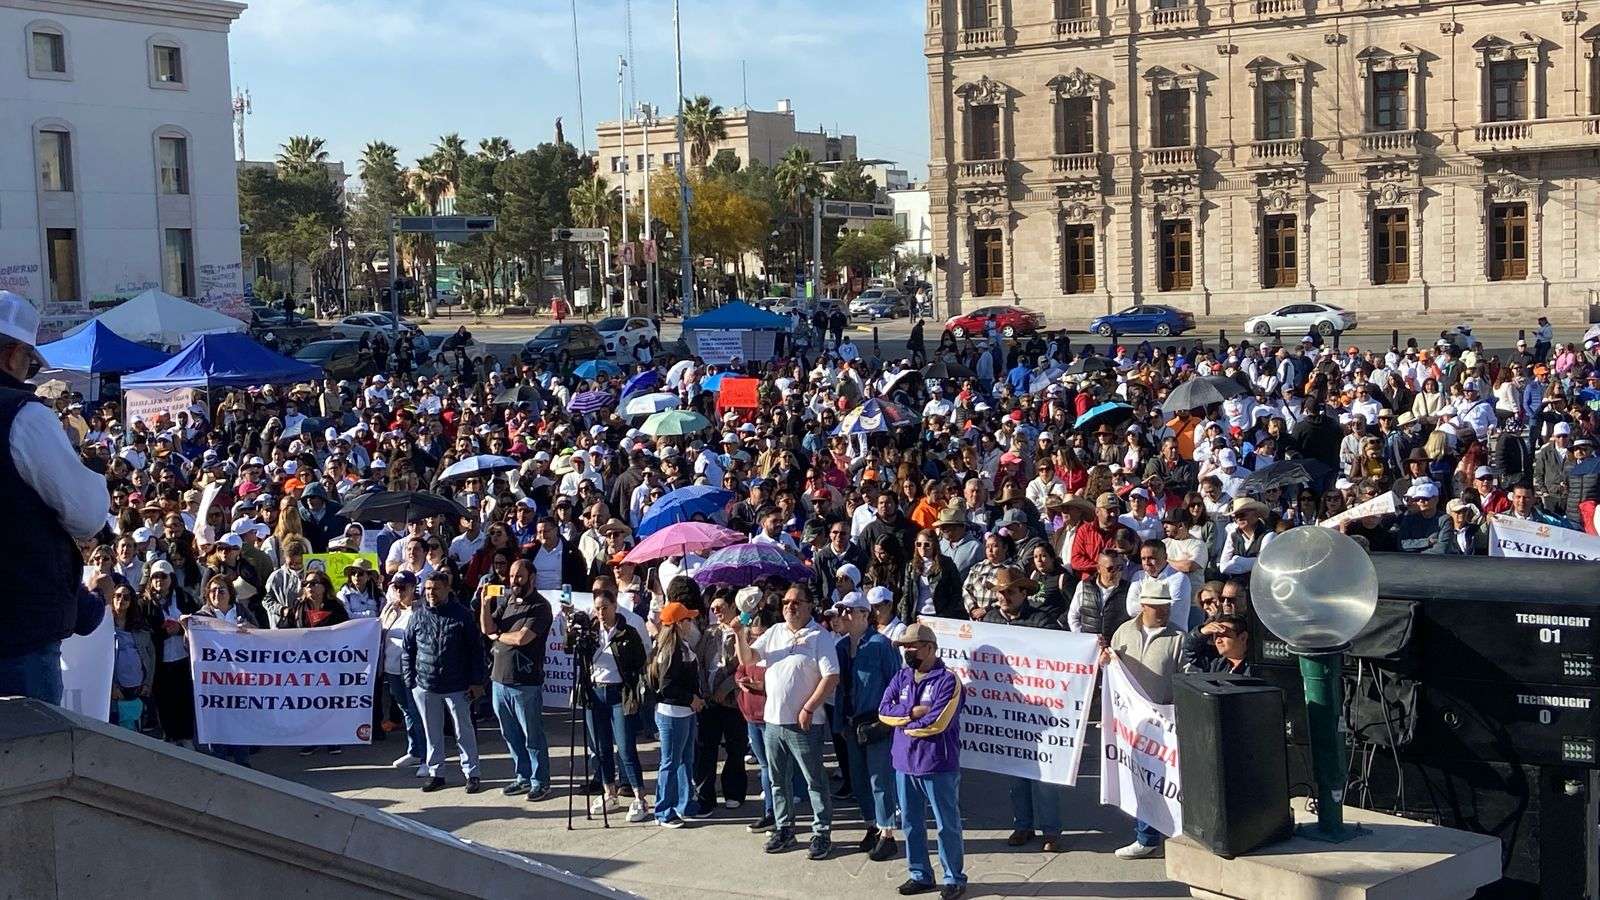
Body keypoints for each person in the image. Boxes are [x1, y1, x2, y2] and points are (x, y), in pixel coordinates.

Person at [0, 291, 110, 702]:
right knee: (35, 759)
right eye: (29, 364)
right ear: (13, 356)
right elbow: (88, 515)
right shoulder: (23, 416)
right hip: (16, 633)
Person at [732, 583, 841, 860]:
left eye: (796, 602)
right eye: (786, 602)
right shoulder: (775, 632)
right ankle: (784, 828)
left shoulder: (820, 636)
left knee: (813, 780)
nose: (789, 606)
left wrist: (808, 708)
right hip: (773, 721)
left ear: (808, 606)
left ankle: (822, 832)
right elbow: (747, 658)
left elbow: (831, 677)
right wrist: (738, 634)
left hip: (804, 723)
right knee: (778, 780)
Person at [878, 622, 966, 899]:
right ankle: (920, 874)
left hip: (937, 763)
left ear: (930, 647)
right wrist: (912, 713)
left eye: (912, 646)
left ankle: (953, 878)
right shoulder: (901, 676)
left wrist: (904, 723)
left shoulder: (948, 680)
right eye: (904, 646)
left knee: (946, 825)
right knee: (911, 824)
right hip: (904, 762)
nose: (907, 651)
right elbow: (883, 711)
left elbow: (938, 722)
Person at [1107, 580, 1185, 860]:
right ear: (1143, 606)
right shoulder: (1123, 632)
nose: (1163, 611)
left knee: (1165, 781)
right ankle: (1146, 836)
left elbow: (1184, 679)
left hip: (1164, 722)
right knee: (1138, 779)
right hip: (1131, 722)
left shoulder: (1179, 638)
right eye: (1157, 606)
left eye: (1166, 606)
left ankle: (1173, 834)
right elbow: (1111, 670)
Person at [403, 570, 487, 794]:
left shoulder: (462, 615)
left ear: (447, 589)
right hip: (425, 684)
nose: (431, 593)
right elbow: (408, 650)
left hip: (457, 685)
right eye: (428, 589)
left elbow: (476, 651)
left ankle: (472, 773)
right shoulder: (417, 615)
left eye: (436, 589)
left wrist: (477, 681)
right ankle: (436, 773)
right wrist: (411, 681)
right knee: (432, 733)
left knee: (463, 731)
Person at [833, 592, 903, 862]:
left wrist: (890, 720)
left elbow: (896, 682)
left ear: (865, 614)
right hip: (851, 722)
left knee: (879, 778)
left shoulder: (881, 645)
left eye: (850, 611)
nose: (844, 616)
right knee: (859, 778)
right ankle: (872, 825)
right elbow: (840, 689)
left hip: (875, 720)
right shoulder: (841, 647)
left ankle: (887, 833)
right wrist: (838, 721)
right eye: (842, 611)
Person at [480, 559, 555, 800]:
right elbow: (486, 628)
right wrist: (484, 605)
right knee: (510, 734)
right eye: (512, 576)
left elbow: (523, 638)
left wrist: (499, 635)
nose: (514, 581)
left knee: (532, 735)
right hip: (499, 680)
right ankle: (522, 776)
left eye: (519, 576)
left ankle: (540, 780)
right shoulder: (508, 601)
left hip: (526, 683)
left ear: (532, 577)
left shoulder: (540, 607)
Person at [585, 585, 651, 822]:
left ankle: (639, 797)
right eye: (597, 609)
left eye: (605, 608)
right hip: (595, 692)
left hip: (618, 693)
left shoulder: (627, 631)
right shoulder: (591, 631)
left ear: (614, 606)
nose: (601, 613)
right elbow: (571, 650)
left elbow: (639, 661)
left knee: (625, 748)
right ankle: (608, 791)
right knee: (601, 748)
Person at [646, 601, 704, 828]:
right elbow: (667, 686)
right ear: (678, 624)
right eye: (687, 619)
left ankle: (684, 803)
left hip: (684, 713)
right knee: (670, 762)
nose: (691, 622)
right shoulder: (671, 650)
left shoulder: (682, 647)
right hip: (672, 714)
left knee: (684, 760)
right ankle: (663, 811)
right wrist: (692, 699)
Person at [379, 572, 425, 771]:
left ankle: (426, 757)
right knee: (406, 710)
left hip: (412, 669)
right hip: (392, 667)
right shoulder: (390, 609)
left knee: (416, 712)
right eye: (395, 587)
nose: (399, 590)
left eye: (403, 586)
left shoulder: (421, 609)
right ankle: (414, 750)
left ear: (413, 587)